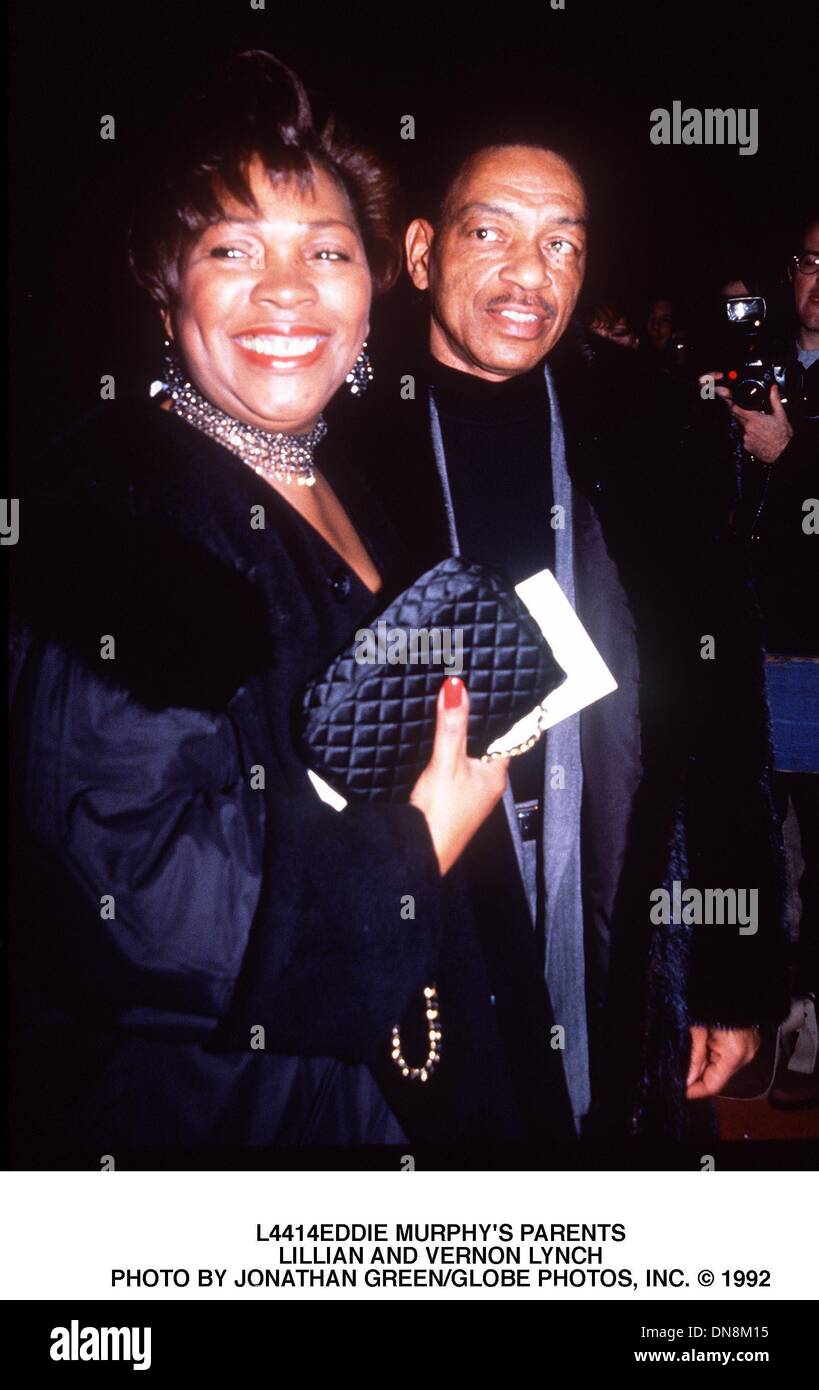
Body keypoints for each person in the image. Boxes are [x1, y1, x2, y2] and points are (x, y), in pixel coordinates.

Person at [8, 52, 526, 1160]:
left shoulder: (343, 480)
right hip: (215, 1121)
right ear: (166, 287)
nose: (288, 292)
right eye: (232, 249)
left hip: (380, 1075)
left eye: (327, 252)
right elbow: (125, 884)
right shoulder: (118, 505)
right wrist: (415, 847)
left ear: (374, 288)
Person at [355, 140, 790, 1141]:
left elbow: (724, 717)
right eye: (489, 232)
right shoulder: (340, 437)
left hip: (615, 913)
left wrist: (731, 970)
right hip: (427, 924)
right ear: (422, 253)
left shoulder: (656, 433)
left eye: (561, 243)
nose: (527, 273)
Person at [702, 218, 819, 1108]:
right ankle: (746, 1014)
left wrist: (795, 456)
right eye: (813, 262)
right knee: (746, 844)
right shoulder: (758, 361)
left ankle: (804, 1022)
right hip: (748, 643)